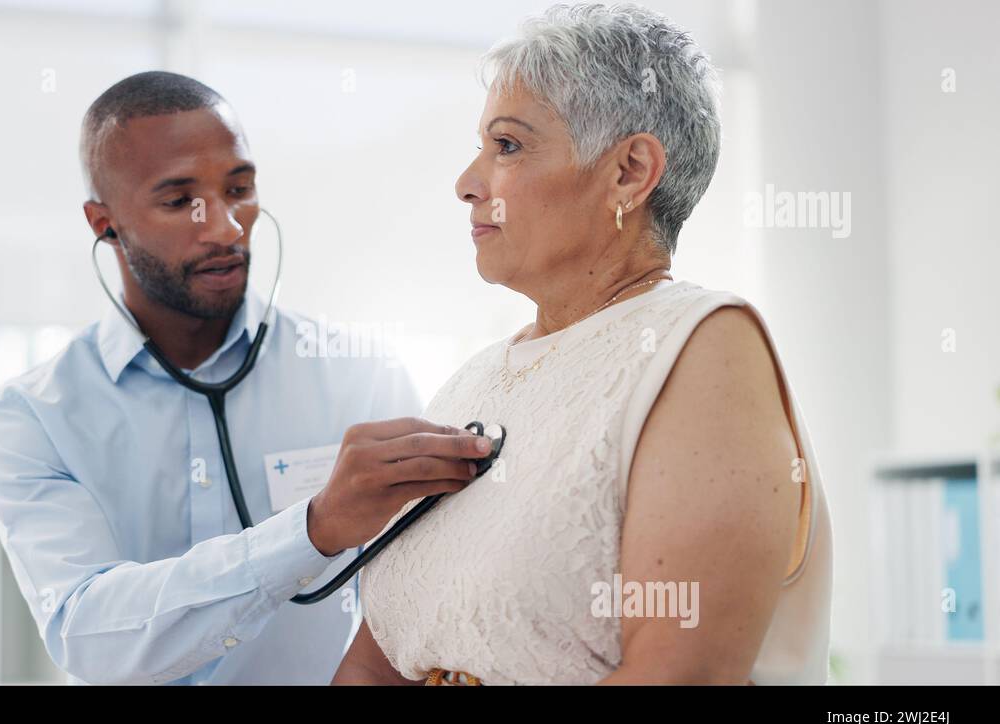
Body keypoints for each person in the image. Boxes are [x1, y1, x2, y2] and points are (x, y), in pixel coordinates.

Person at [335, 3, 833, 685]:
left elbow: (679, 675)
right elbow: (373, 662)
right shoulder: (471, 383)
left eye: (506, 146)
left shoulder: (705, 345)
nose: (467, 183)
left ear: (629, 171)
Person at [0, 72, 491, 685]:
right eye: (177, 200)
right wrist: (313, 529)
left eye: (239, 189)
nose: (225, 227)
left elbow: (418, 592)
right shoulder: (27, 418)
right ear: (103, 222)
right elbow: (88, 633)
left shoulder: (360, 374)